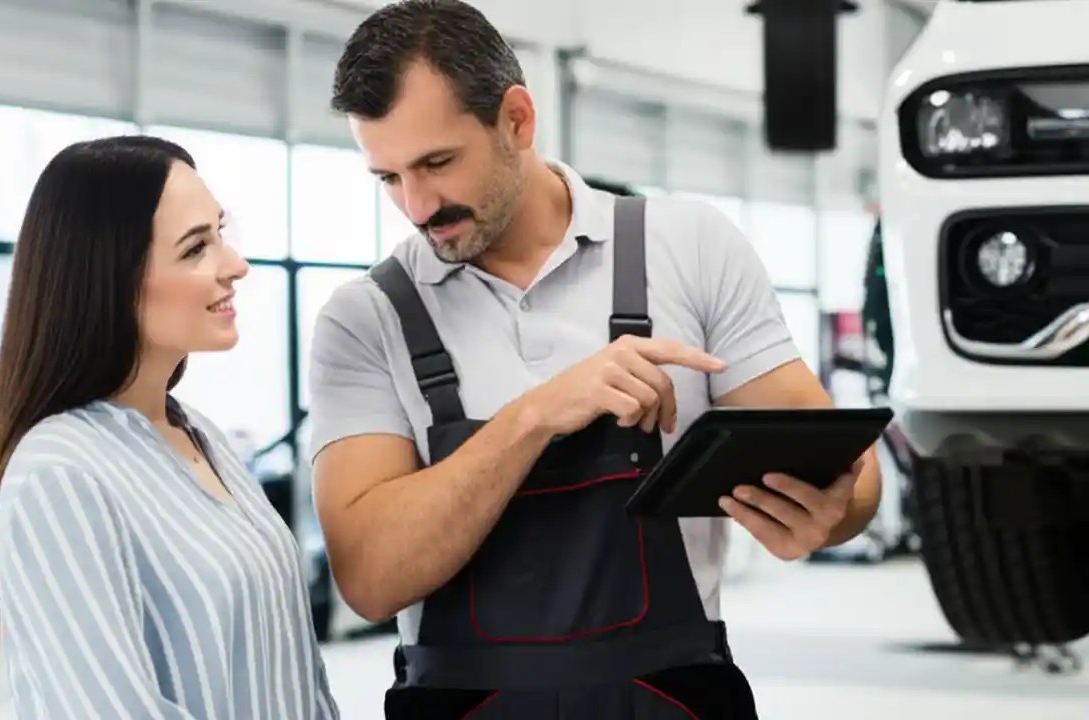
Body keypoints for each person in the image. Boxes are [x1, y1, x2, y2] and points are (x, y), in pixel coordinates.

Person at [307, 1, 882, 718]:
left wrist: (837, 511)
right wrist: (537, 416)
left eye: (437, 163)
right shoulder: (363, 320)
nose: (417, 206)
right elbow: (369, 576)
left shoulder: (692, 247)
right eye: (387, 178)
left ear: (517, 119)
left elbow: (845, 469)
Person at [0, 136, 339, 720]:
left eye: (220, 231)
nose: (234, 264)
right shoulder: (60, 474)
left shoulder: (202, 437)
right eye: (195, 248)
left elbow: (295, 677)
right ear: (110, 279)